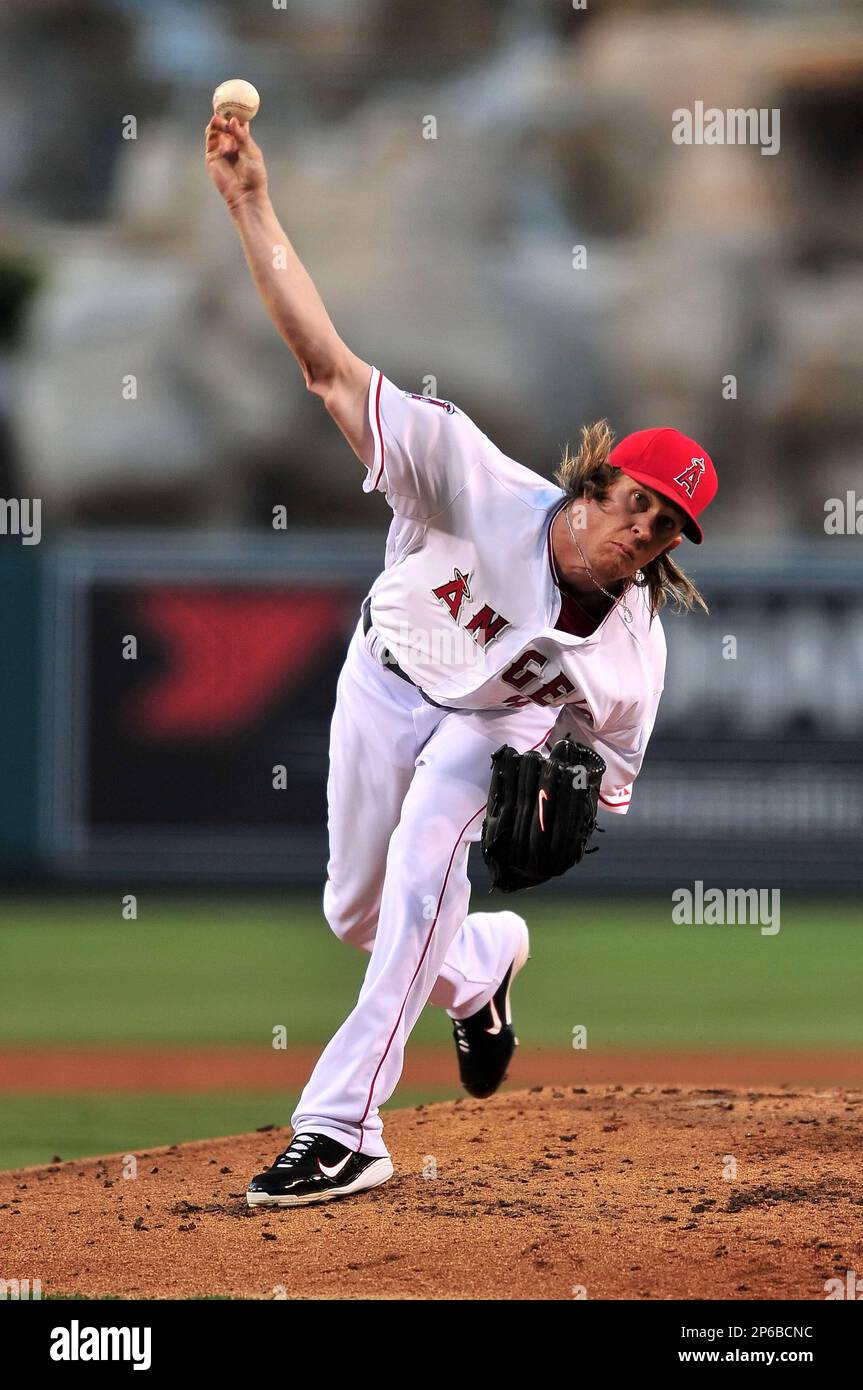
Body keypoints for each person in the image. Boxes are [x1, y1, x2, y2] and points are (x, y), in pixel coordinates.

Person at [205, 113, 718, 1208]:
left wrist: (552, 805)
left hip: (487, 730)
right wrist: (251, 203)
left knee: (430, 849)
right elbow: (324, 367)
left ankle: (343, 1124)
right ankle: (478, 968)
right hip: (385, 673)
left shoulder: (629, 664)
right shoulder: (465, 473)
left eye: (668, 524)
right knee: (357, 910)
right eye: (637, 501)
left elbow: (601, 787)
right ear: (593, 488)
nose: (645, 529)